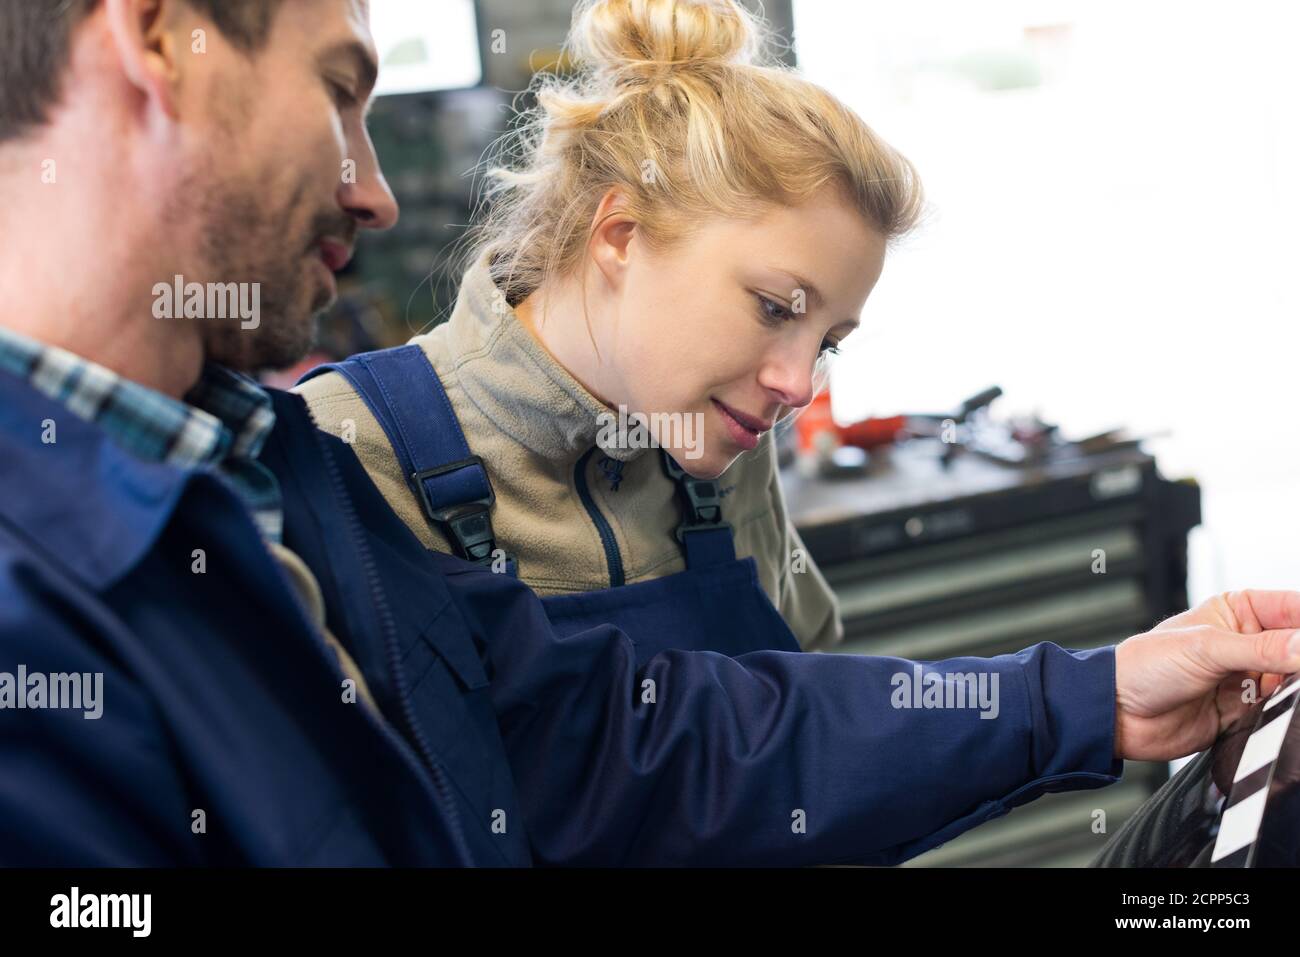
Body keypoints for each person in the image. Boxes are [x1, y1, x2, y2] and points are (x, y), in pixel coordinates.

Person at [3, 0, 1299, 868]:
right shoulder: (93, 582)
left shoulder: (281, 480)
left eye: (827, 339)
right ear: (161, 40)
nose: (376, 190)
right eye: (342, 92)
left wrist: (1086, 692)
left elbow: (658, 741)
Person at [295, 0, 890, 651]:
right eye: (775, 308)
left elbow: (809, 689)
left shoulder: (722, 436)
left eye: (828, 343)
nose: (797, 385)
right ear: (620, 236)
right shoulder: (343, 447)